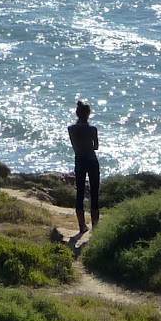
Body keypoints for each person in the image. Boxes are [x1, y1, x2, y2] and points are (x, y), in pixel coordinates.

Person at [68, 100, 100, 234]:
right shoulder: (92, 129)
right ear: (88, 114)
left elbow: (75, 145)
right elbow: (96, 146)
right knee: (94, 193)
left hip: (79, 160)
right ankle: (95, 226)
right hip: (91, 160)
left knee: (80, 193)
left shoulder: (71, 129)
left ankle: (82, 226)